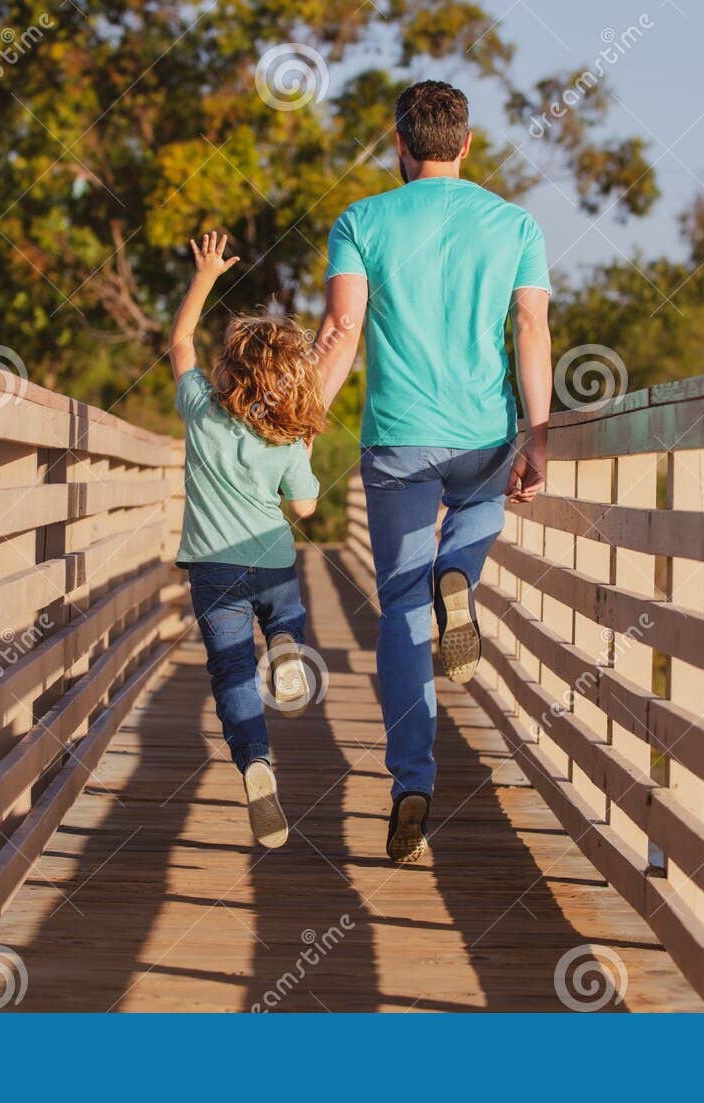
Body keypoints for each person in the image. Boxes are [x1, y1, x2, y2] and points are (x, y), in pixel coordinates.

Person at [312, 80, 553, 865]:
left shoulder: (362, 220)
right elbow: (530, 326)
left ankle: (410, 780)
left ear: (400, 146)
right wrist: (537, 434)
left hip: (397, 441)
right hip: (485, 437)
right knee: (474, 531)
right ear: (467, 144)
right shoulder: (514, 223)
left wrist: (299, 422)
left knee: (400, 611)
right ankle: (463, 579)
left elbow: (343, 330)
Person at [170, 231, 326, 850]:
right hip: (274, 567)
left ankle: (255, 763)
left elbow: (180, 341)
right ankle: (286, 648)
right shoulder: (286, 441)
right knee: (286, 623)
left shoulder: (203, 411)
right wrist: (304, 449)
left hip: (214, 573)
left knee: (232, 670)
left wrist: (206, 275)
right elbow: (307, 505)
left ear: (229, 370)